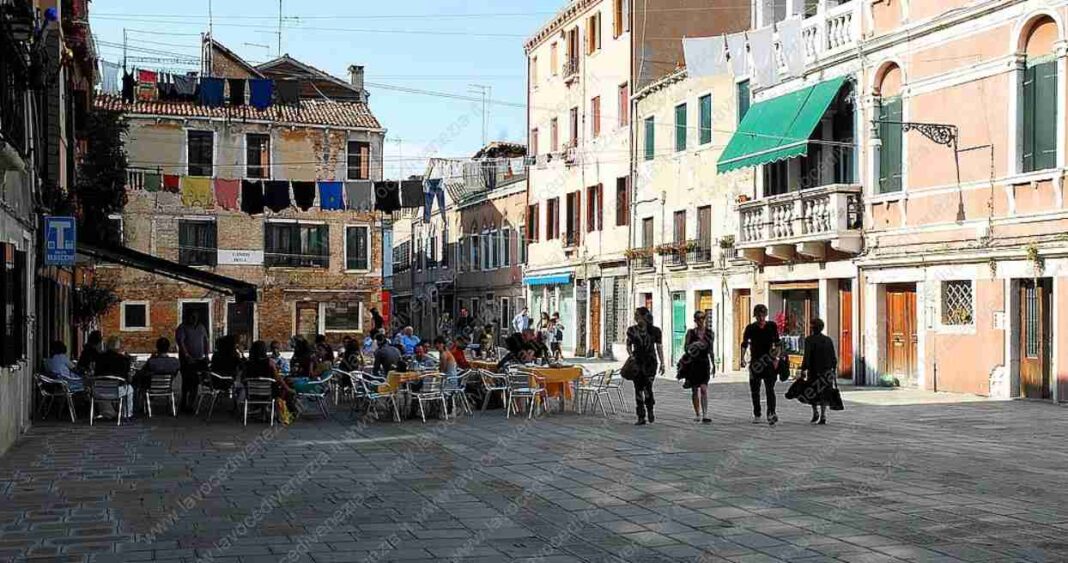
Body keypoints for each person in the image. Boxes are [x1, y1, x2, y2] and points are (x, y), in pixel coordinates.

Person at [740, 304, 782, 425]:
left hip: (769, 361)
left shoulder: (771, 326)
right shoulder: (750, 328)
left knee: (770, 389)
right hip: (755, 362)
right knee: (755, 389)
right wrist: (742, 358)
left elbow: (778, 343)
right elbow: (744, 344)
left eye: (763, 315)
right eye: (759, 315)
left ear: (766, 315)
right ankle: (757, 413)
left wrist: (776, 358)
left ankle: (771, 413)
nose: (761, 318)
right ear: (755, 316)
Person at [626, 307, 663, 426]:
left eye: (637, 315)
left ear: (644, 316)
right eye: (635, 315)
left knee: (648, 387)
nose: (635, 317)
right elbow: (628, 345)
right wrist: (631, 355)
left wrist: (662, 362)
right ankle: (641, 415)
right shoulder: (631, 330)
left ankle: (650, 408)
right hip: (637, 363)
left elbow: (659, 347)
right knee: (638, 389)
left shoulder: (655, 331)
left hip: (651, 363)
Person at [798, 318, 837, 425]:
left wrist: (803, 369)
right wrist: (833, 369)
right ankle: (823, 415)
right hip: (826, 371)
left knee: (813, 392)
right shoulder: (828, 340)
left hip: (814, 370)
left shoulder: (809, 340)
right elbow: (833, 357)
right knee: (824, 392)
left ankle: (815, 412)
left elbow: (807, 356)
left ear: (813, 328)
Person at [679, 311, 715, 423]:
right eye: (698, 319)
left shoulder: (709, 333)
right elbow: (686, 348)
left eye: (702, 318)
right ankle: (697, 413)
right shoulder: (691, 333)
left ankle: (705, 414)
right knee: (695, 390)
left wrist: (714, 364)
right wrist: (694, 346)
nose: (701, 321)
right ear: (695, 320)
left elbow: (711, 349)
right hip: (693, 363)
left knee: (704, 389)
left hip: (704, 363)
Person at [175, 313, 210, 412]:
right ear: (187, 317)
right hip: (186, 360)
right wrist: (187, 355)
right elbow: (181, 343)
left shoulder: (201, 327)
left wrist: (206, 355)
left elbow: (206, 340)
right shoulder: (182, 327)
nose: (194, 318)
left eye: (195, 316)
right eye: (192, 316)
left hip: (198, 359)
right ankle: (184, 402)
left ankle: (191, 404)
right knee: (186, 381)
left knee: (195, 382)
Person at [95, 337, 135, 418]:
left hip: (100, 390)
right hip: (117, 391)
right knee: (130, 389)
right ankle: (126, 413)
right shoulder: (124, 359)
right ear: (119, 347)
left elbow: (96, 374)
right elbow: (128, 379)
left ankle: (107, 412)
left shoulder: (99, 358)